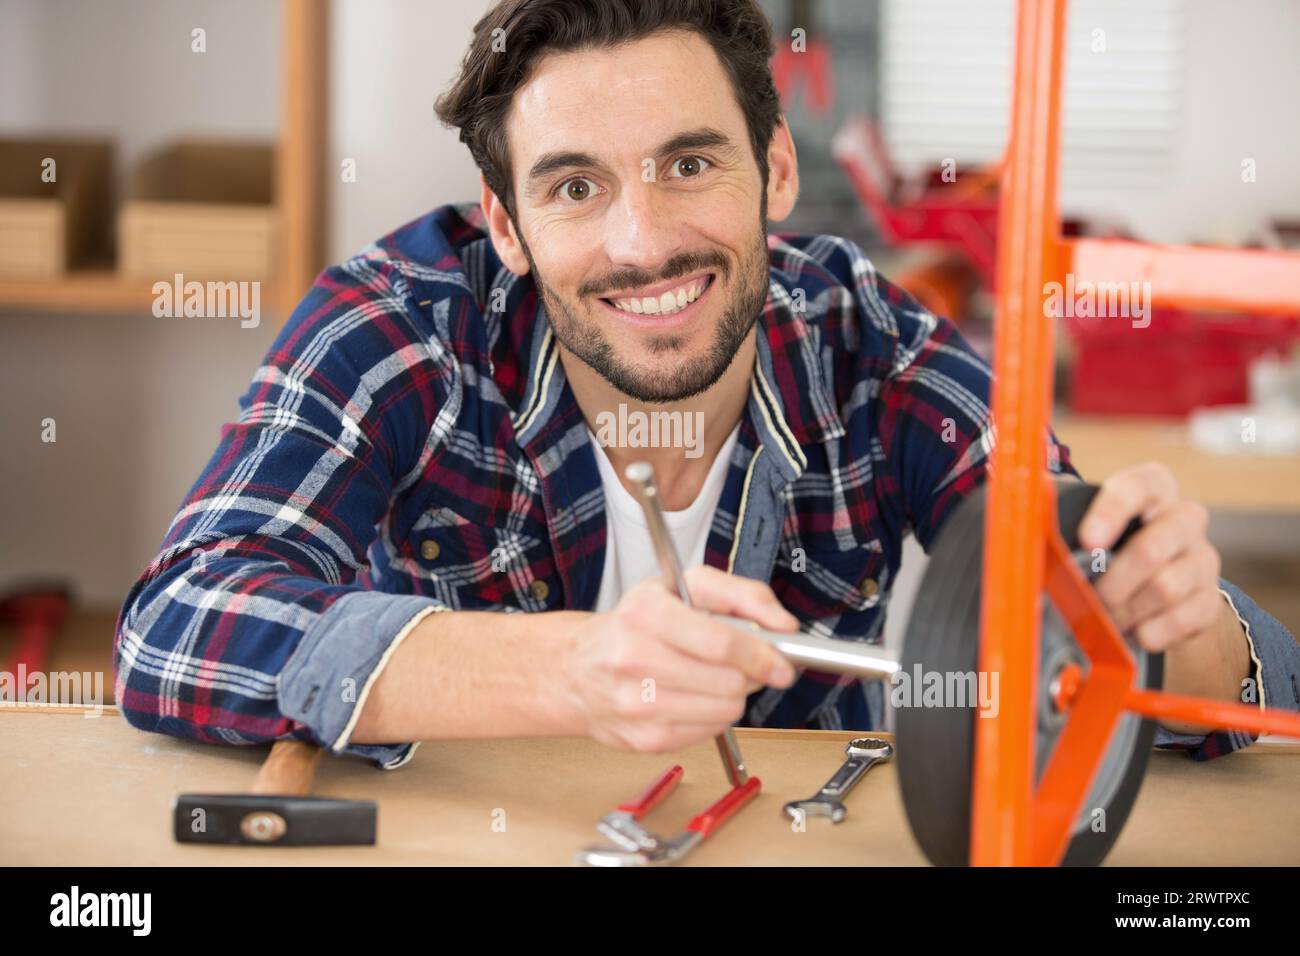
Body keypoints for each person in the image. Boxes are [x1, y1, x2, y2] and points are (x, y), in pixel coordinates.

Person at [114, 0, 1297, 770]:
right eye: (574, 186)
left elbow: (1150, 652)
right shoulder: (395, 322)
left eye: (688, 163)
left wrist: (1161, 614)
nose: (642, 242)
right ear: (506, 224)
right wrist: (570, 670)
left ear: (775, 166)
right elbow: (174, 628)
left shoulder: (871, 345)